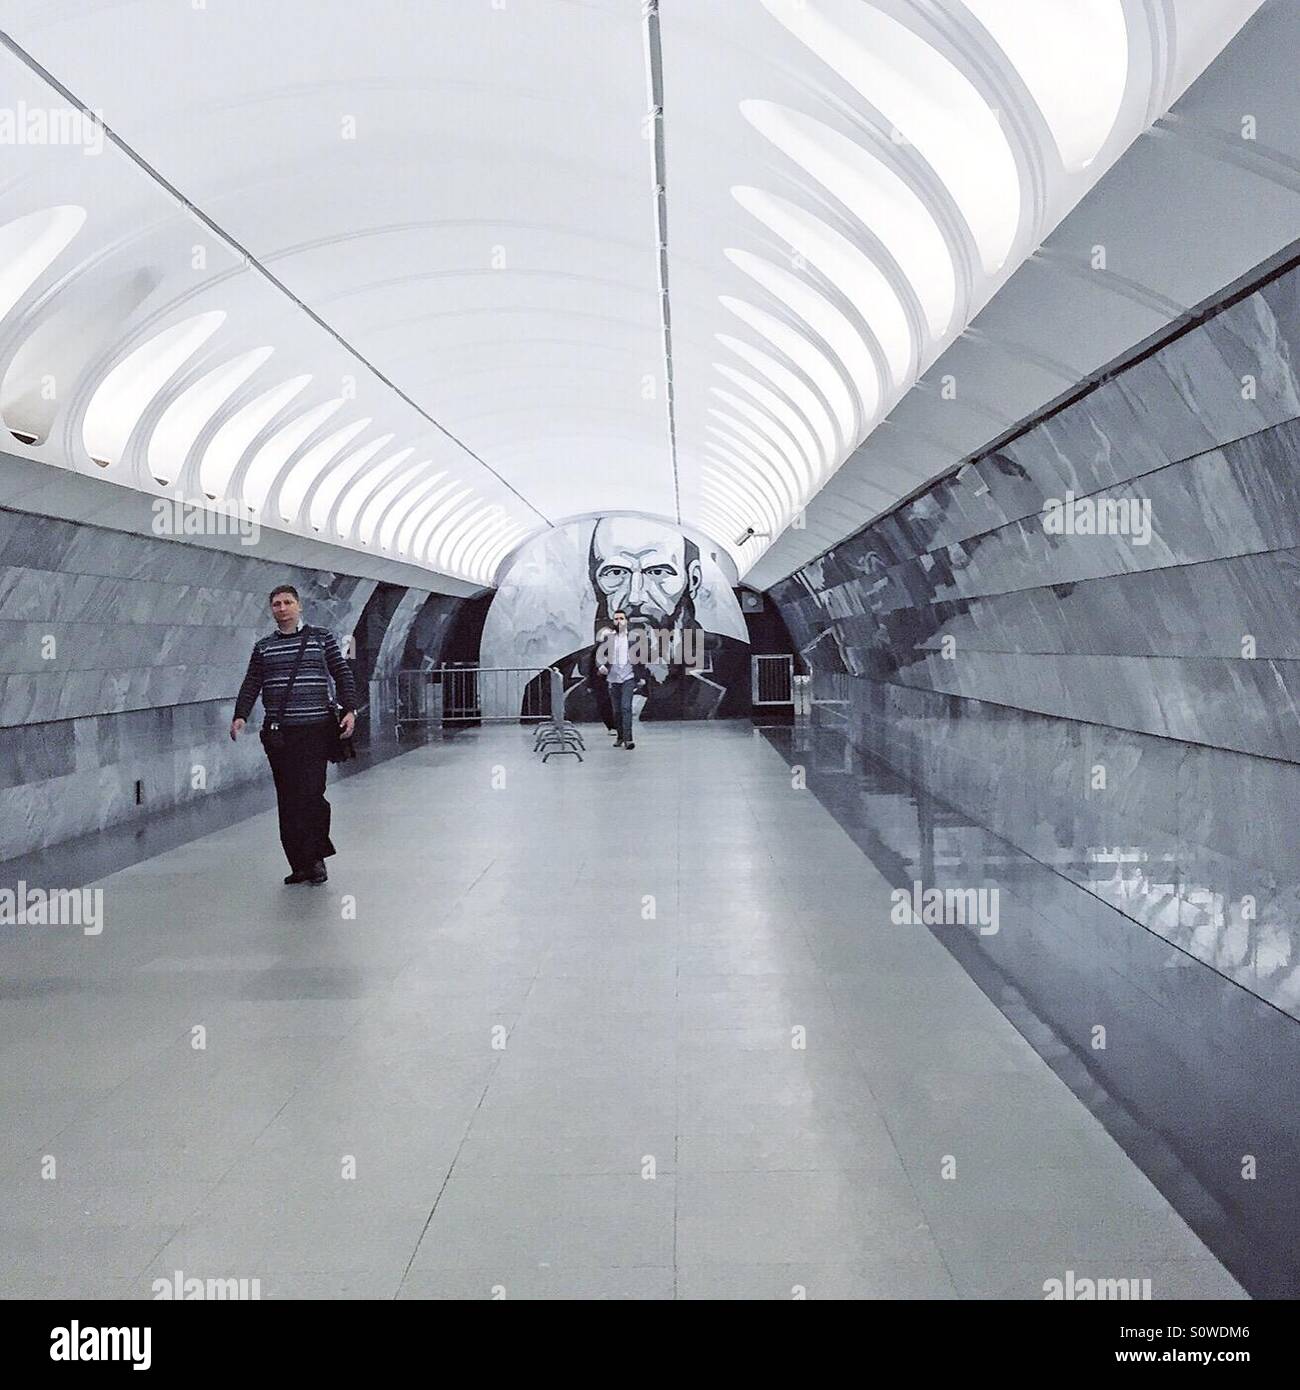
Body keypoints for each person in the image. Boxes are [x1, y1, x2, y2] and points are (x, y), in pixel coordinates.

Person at [229, 585, 358, 884]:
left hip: (315, 729)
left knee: (312, 794)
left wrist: (349, 708)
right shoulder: (264, 647)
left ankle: (316, 857)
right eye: (277, 604)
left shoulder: (321, 638)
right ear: (271, 610)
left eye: (288, 602)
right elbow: (252, 683)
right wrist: (240, 715)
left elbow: (341, 672)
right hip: (280, 734)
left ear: (299, 607)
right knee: (288, 799)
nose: (282, 608)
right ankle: (299, 863)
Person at [596, 609, 648, 749]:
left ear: (626, 621)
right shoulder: (608, 638)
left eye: (621, 618)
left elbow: (641, 658)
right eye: (616, 619)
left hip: (629, 677)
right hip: (613, 678)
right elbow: (599, 656)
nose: (619, 621)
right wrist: (601, 666)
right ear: (613, 621)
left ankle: (628, 739)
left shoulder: (634, 638)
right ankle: (620, 736)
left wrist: (641, 676)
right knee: (617, 710)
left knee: (626, 707)